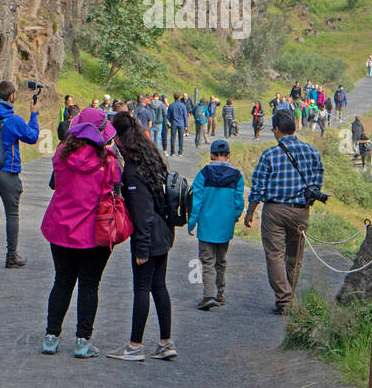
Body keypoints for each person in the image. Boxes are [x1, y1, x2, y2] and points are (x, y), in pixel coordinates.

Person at [40, 108, 120, 358]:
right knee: (89, 285)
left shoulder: (61, 154)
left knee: (62, 281)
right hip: (94, 233)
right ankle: (83, 341)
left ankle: (51, 337)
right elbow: (116, 184)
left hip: (61, 228)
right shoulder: (108, 161)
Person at [106, 111, 177, 362]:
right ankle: (166, 342)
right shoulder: (152, 159)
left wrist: (142, 248)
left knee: (142, 288)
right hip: (164, 232)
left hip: (148, 236)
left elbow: (143, 213)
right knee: (159, 286)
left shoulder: (133, 172)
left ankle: (135, 346)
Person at [243, 109, 325, 315]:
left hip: (275, 211)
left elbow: (258, 187)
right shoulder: (312, 152)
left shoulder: (270, 154)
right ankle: (289, 294)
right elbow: (317, 183)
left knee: (275, 255)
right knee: (295, 256)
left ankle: (284, 299)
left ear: (277, 130)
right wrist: (308, 202)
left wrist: (250, 212)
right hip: (301, 211)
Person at [0, 80, 40, 269]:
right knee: (12, 214)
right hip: (8, 173)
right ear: (11, 96)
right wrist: (34, 114)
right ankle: (11, 255)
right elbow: (32, 136)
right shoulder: (14, 120)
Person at [188, 138, 245, 311]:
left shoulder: (203, 174)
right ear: (228, 155)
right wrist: (233, 218)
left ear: (211, 155)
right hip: (225, 226)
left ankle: (208, 295)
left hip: (206, 225)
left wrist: (192, 222)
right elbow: (239, 203)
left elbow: (196, 201)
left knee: (207, 261)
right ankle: (220, 295)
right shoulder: (237, 176)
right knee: (221, 261)